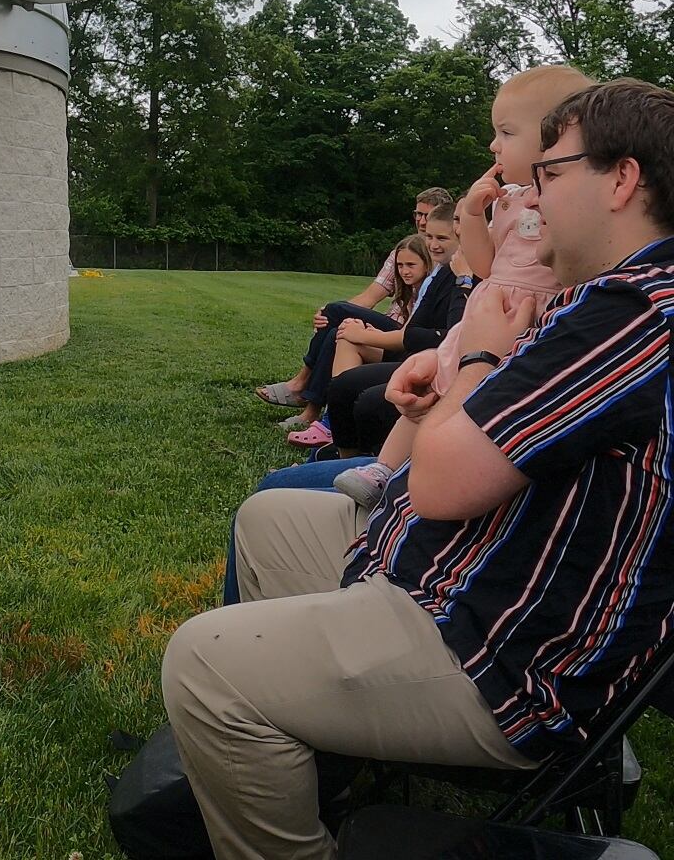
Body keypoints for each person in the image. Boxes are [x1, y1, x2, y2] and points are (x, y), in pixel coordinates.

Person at [163, 78, 674, 860]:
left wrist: (473, 358)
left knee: (204, 664)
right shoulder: (605, 300)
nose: (533, 194)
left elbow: (439, 484)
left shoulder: (637, 317)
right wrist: (455, 368)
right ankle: (316, 751)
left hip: (501, 658)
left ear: (623, 179)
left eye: (553, 172)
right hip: (460, 579)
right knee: (272, 522)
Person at [334, 64, 593, 505]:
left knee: (471, 403)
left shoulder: (572, 204)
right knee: (434, 388)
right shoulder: (507, 202)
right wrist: (473, 217)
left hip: (531, 319)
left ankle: (428, 476)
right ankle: (383, 468)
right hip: (490, 309)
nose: (494, 145)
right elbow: (483, 266)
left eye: (506, 133)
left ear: (555, 137)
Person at [255, 187, 453, 416]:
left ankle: (302, 386)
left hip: (403, 333)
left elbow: (417, 329)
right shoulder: (405, 248)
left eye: (427, 216)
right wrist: (333, 314)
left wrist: (347, 319)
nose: (421, 221)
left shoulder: (441, 260)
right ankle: (313, 412)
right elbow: (370, 296)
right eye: (417, 214)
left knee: (339, 317)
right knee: (337, 326)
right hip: (392, 326)